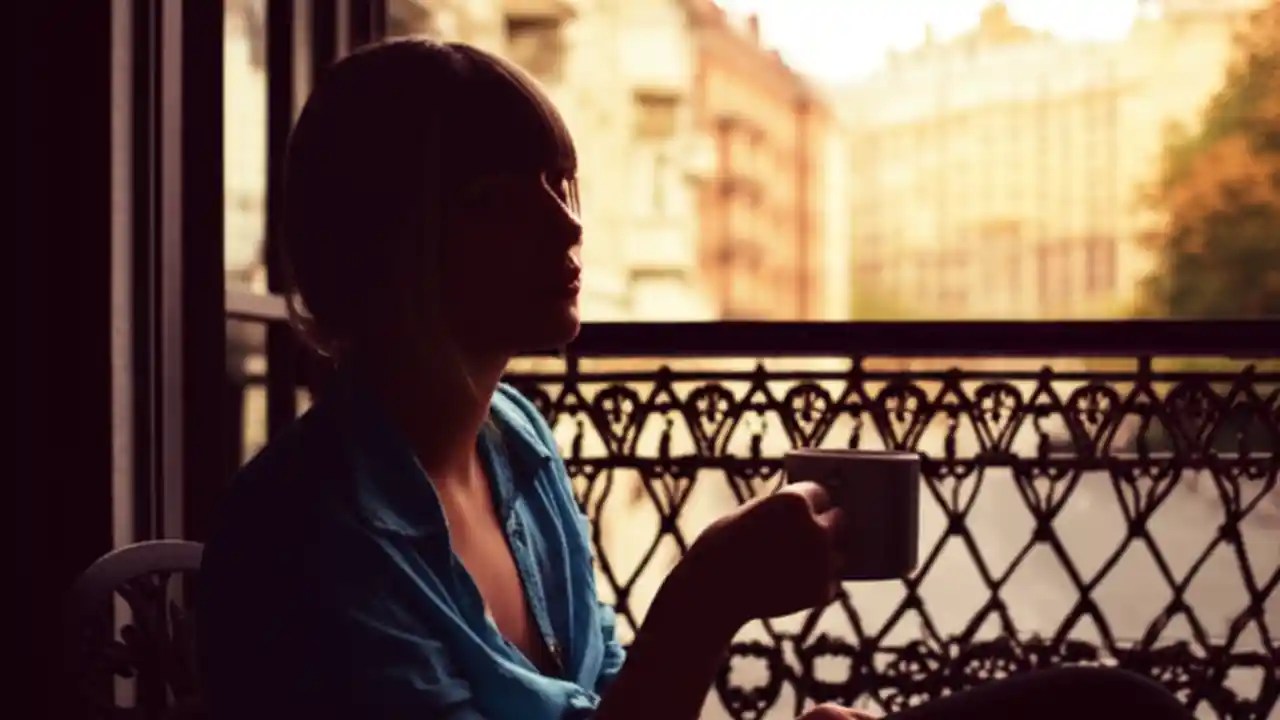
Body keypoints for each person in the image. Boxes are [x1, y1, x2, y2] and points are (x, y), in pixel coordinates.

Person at [197, 38, 1194, 720]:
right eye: (503, 197)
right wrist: (705, 598)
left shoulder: (514, 440)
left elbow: (613, 694)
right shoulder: (311, 530)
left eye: (564, 181)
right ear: (395, 237)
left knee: (1111, 705)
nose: (568, 224)